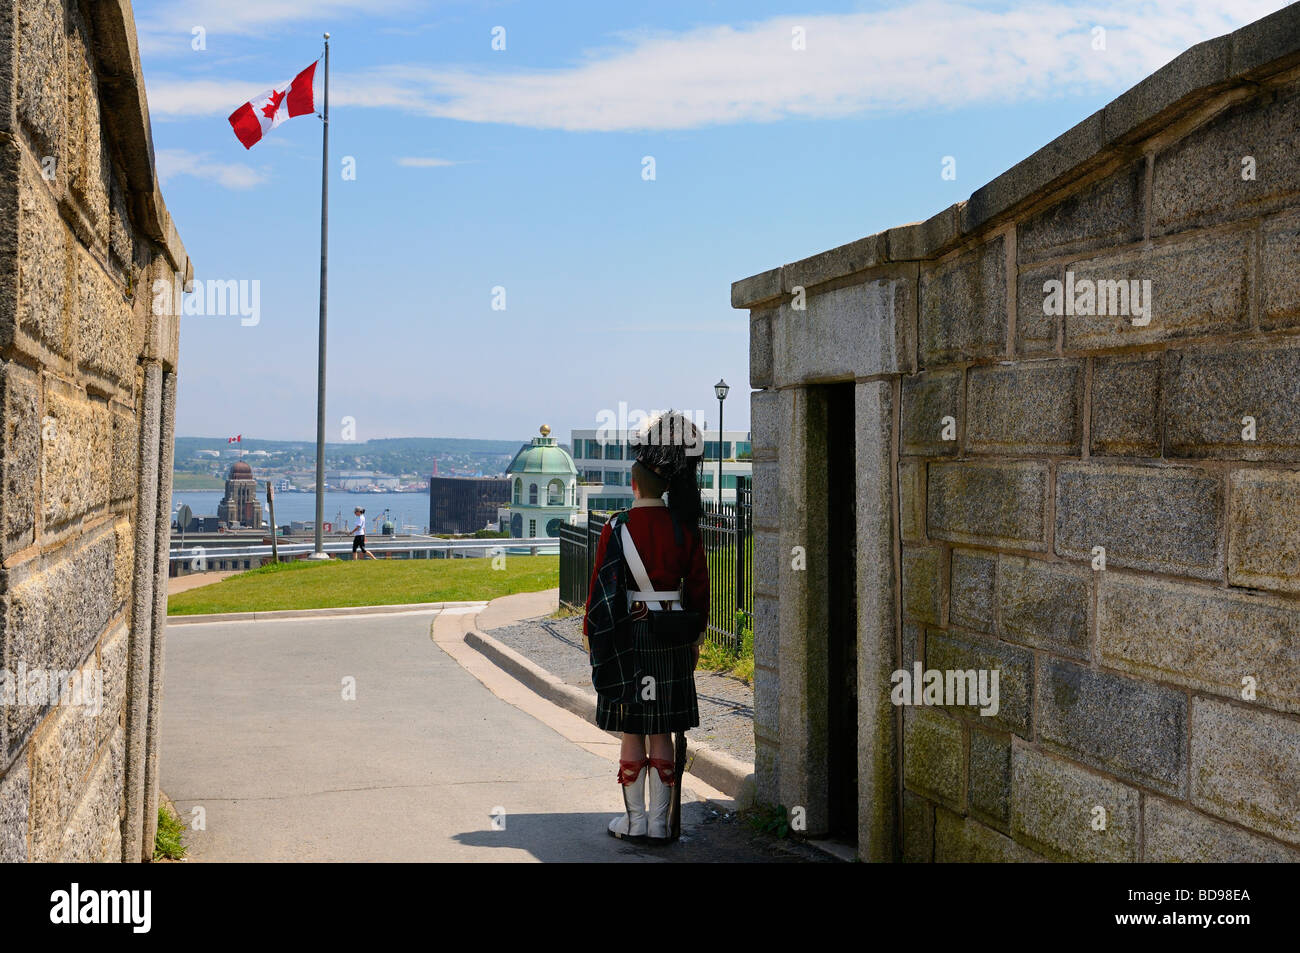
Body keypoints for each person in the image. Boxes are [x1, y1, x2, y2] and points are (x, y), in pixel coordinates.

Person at [583, 411, 708, 844]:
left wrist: (592, 639)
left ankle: (633, 821)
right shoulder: (685, 529)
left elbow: (600, 594)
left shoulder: (616, 527)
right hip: (672, 639)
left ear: (634, 484)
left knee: (631, 728)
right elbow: (699, 593)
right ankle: (659, 824)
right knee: (662, 730)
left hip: (628, 638)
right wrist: (694, 640)